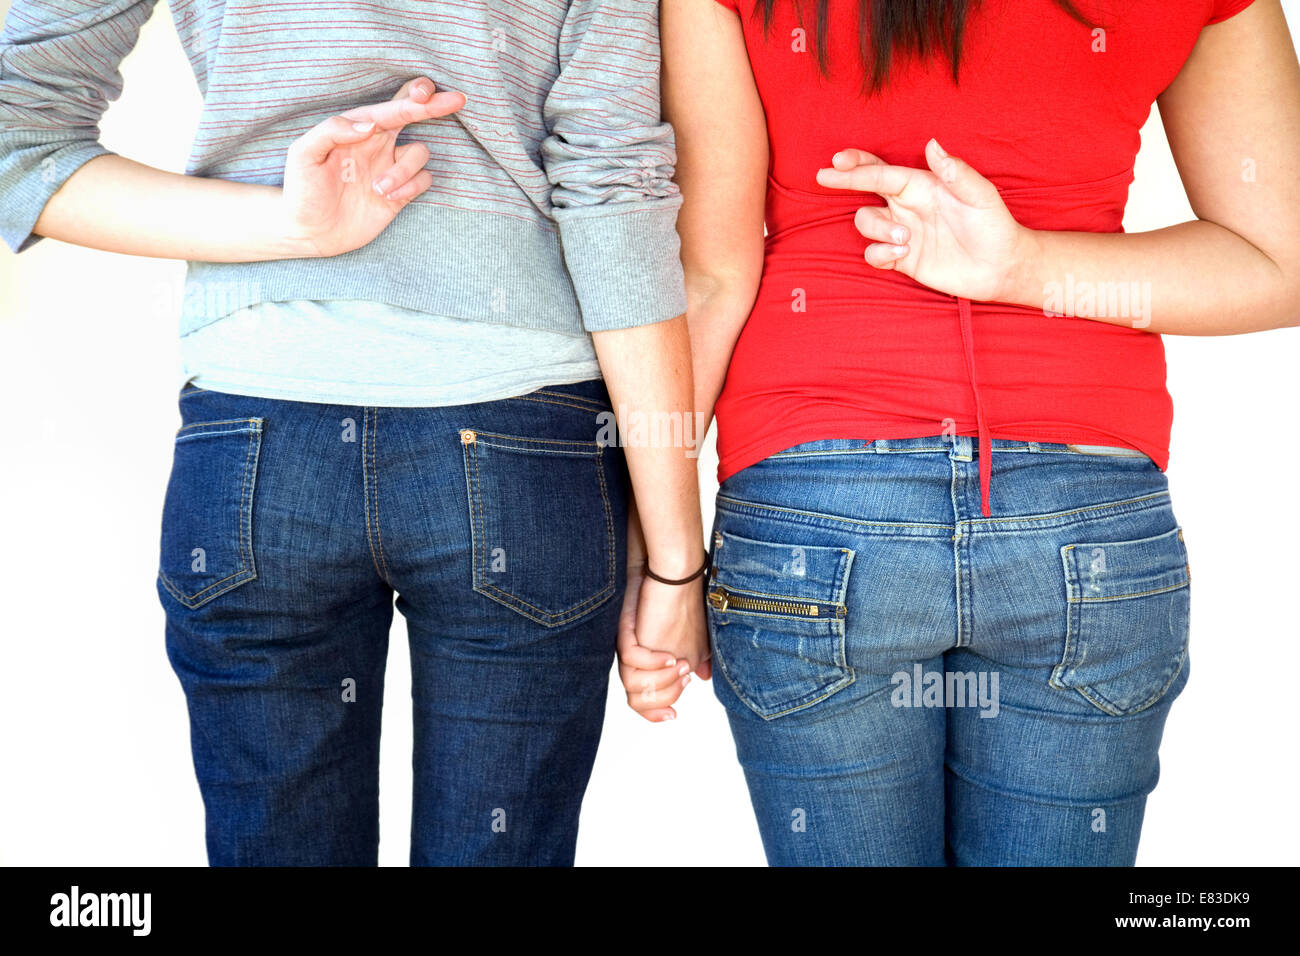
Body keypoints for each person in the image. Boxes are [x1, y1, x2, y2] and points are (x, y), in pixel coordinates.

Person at [0, 0, 709, 866]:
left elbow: (14, 133)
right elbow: (613, 193)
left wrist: (287, 230)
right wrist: (674, 559)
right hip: (521, 452)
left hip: (257, 450)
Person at [658, 0, 1300, 864]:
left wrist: (660, 558)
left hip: (815, 519)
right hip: (1087, 528)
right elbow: (1282, 262)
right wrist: (1026, 266)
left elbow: (710, 275)